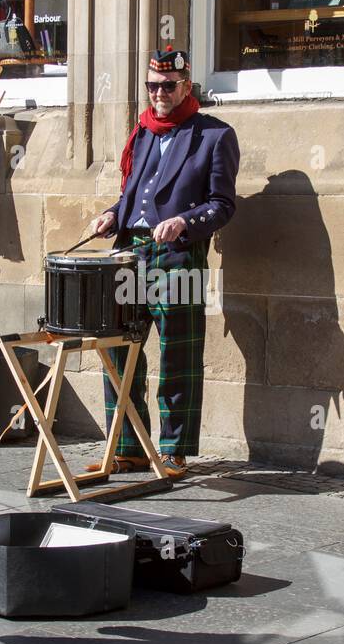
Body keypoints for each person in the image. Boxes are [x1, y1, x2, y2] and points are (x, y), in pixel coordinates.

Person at [86, 49, 239, 479]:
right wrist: (113, 213)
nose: (158, 94)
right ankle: (129, 447)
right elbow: (135, 195)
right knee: (118, 350)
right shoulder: (143, 133)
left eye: (168, 86)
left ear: (186, 86)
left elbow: (223, 205)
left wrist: (184, 222)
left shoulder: (214, 136)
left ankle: (174, 451)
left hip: (179, 256)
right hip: (129, 254)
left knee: (178, 353)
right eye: (152, 86)